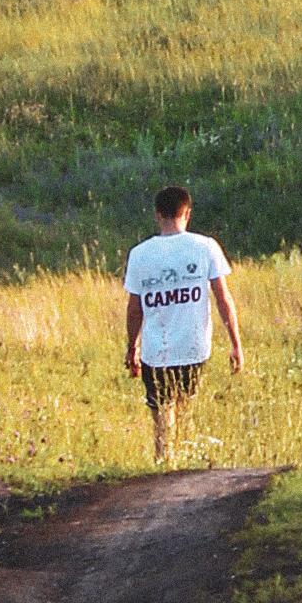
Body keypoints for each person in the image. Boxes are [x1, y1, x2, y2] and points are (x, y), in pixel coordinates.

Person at [121, 185, 243, 456]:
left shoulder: (139, 254)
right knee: (185, 410)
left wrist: (132, 347)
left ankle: (165, 465)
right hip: (194, 348)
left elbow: (134, 308)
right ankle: (184, 469)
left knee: (162, 423)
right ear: (186, 213)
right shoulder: (206, 247)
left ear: (157, 215)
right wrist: (236, 343)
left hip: (156, 352)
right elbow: (223, 298)